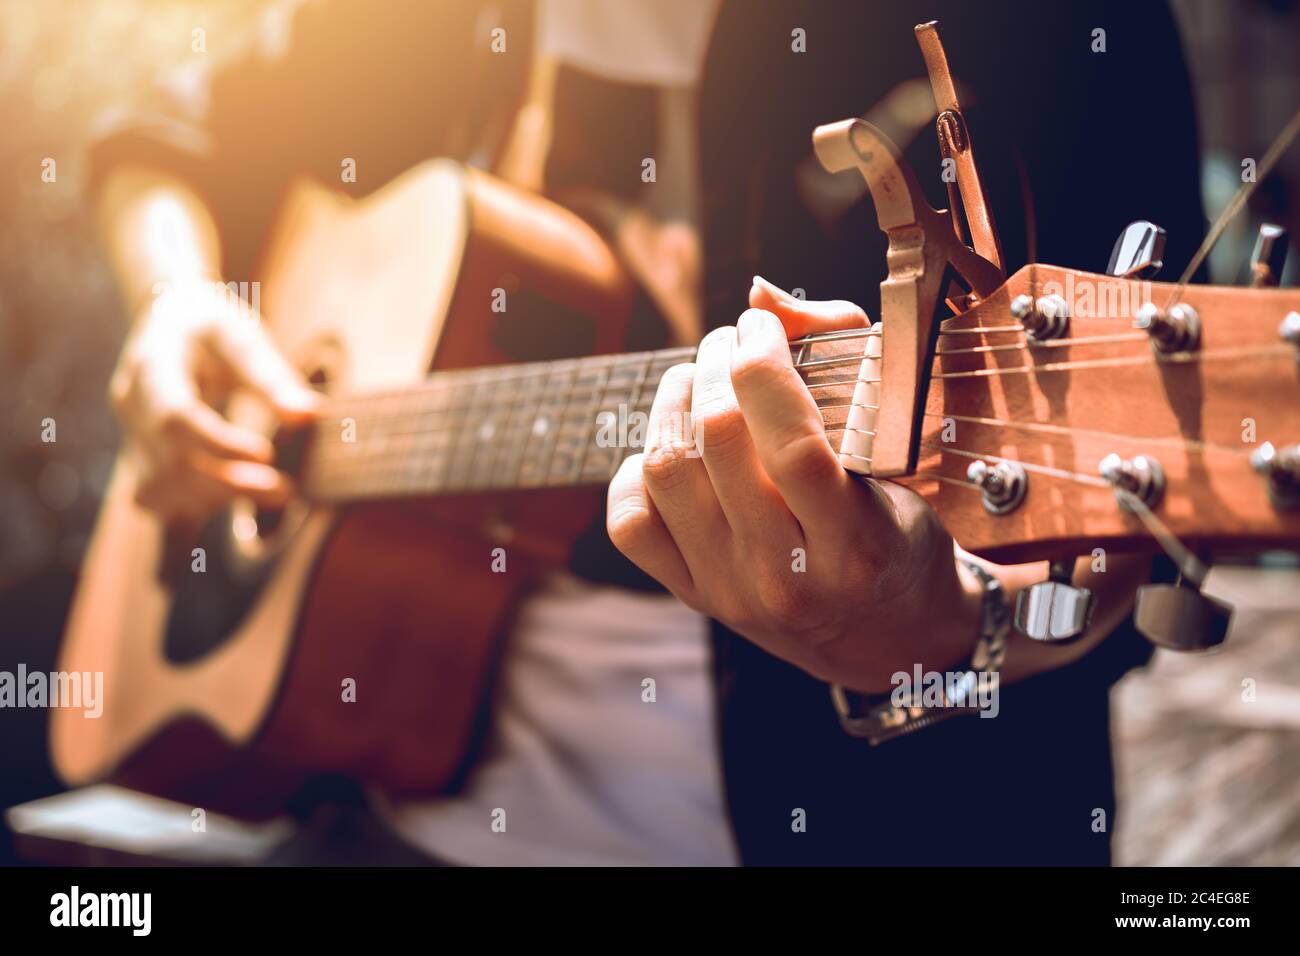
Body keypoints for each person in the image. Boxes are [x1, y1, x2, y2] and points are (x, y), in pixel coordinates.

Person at [92, 0, 1204, 864]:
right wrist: (176, 299)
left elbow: (1117, 545)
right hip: (375, 799)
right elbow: (161, 129)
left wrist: (924, 637)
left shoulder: (1044, 29)